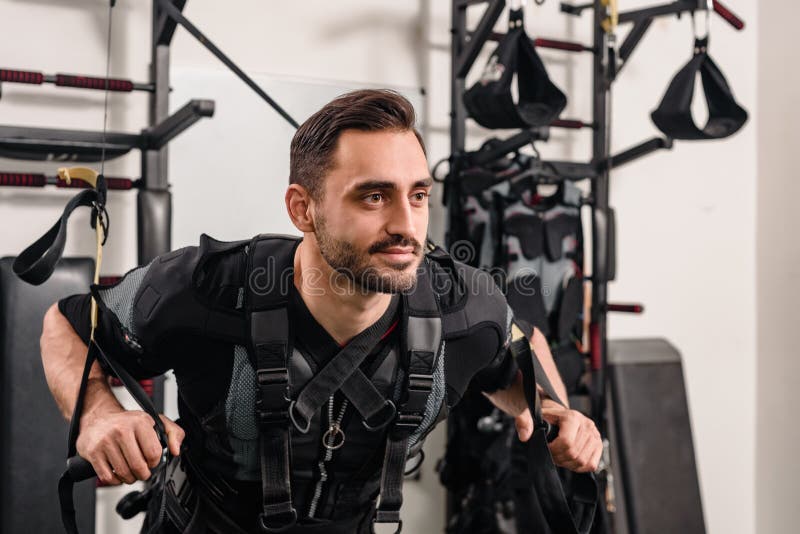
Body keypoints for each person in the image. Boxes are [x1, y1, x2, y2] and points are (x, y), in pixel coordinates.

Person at [40, 89, 601, 533]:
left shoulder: (465, 306)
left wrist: (554, 411)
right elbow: (66, 325)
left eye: (419, 195)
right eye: (374, 196)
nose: (407, 225)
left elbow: (513, 346)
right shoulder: (205, 287)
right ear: (302, 208)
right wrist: (100, 415)